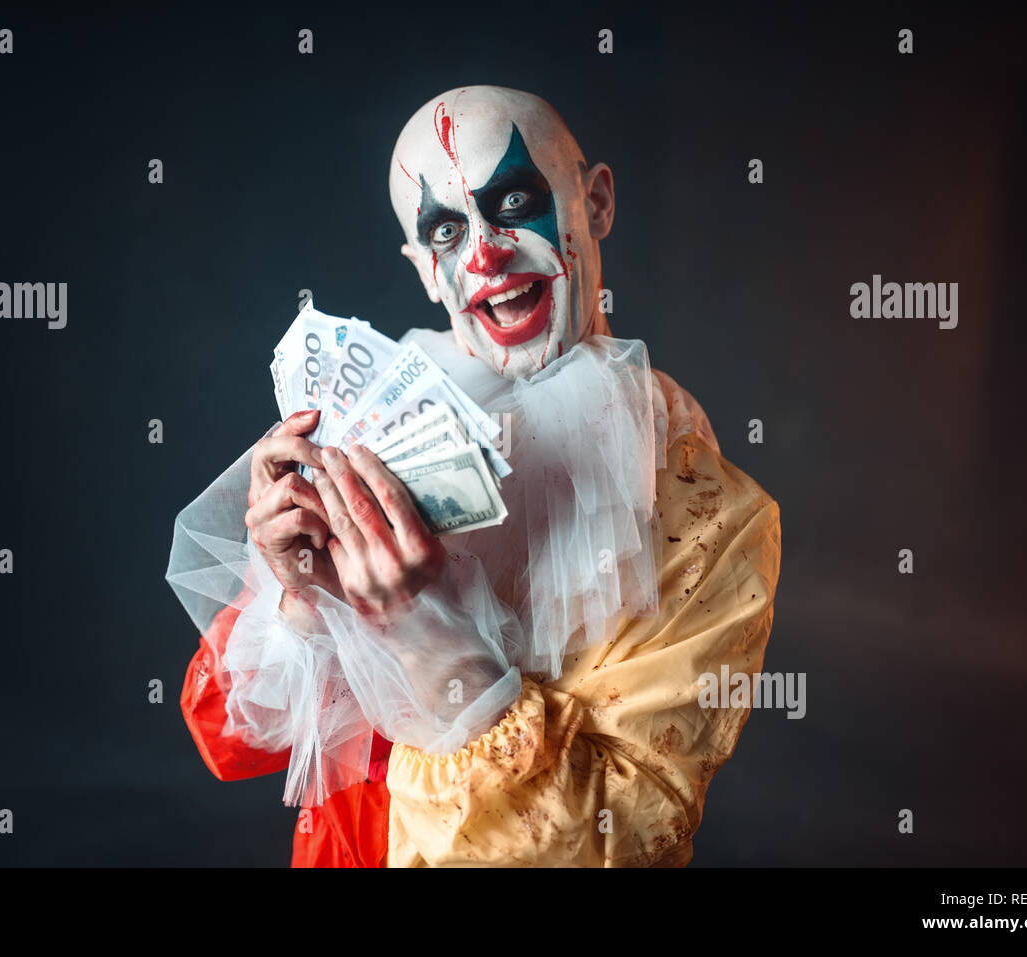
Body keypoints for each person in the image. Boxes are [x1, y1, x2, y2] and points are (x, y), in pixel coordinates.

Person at [168, 85, 782, 867]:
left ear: (595, 204)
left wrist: (428, 635)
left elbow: (623, 837)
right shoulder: (374, 434)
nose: (485, 256)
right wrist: (303, 600)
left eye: (515, 200)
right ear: (423, 268)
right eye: (447, 230)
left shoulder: (713, 516)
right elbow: (235, 739)